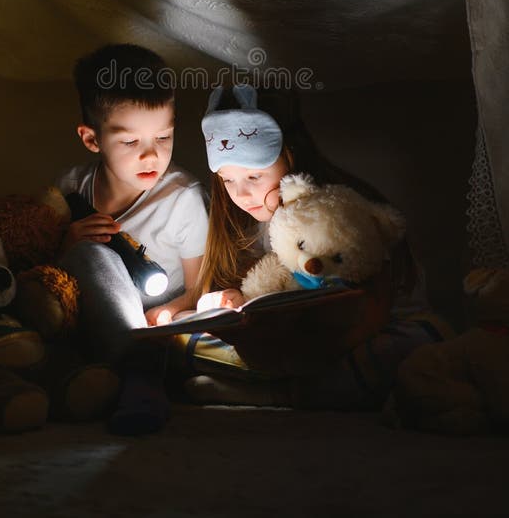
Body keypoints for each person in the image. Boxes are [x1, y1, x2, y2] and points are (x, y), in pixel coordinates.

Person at [186, 83, 446, 409]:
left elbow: (374, 309)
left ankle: (278, 395)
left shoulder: (340, 211)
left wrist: (317, 348)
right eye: (227, 180)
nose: (241, 194)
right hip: (293, 341)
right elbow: (257, 295)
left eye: (254, 177)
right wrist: (229, 302)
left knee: (414, 346)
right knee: (184, 341)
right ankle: (294, 382)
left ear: (290, 156)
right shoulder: (251, 226)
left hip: (368, 331)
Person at [55, 43, 208, 434]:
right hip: (96, 324)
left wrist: (164, 314)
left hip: (157, 326)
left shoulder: (181, 198)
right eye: (130, 142)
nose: (151, 157)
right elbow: (51, 277)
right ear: (92, 139)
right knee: (91, 255)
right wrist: (69, 243)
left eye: (163, 138)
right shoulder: (73, 190)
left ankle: (136, 378)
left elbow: (199, 286)